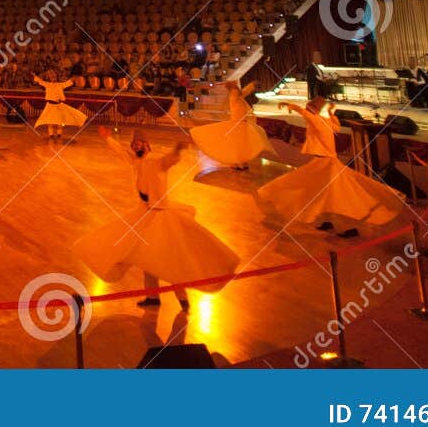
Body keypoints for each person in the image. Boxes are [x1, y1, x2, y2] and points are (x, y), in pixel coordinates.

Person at [76, 126, 238, 311]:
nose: (137, 146)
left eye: (141, 143)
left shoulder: (155, 162)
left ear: (148, 146)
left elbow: (168, 161)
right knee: (148, 258)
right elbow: (121, 152)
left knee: (166, 260)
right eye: (135, 144)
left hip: (161, 216)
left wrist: (177, 150)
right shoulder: (135, 162)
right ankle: (153, 296)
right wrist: (108, 139)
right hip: (145, 215)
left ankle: (182, 298)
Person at [255, 99, 409, 239]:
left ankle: (348, 226)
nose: (307, 110)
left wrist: (292, 106)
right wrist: (329, 112)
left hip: (326, 164)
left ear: (313, 110)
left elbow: (306, 115)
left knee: (333, 195)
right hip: (324, 163)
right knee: (324, 194)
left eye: (309, 108)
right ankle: (328, 220)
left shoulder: (317, 121)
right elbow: (336, 125)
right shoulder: (325, 121)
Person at [188, 80, 269, 170]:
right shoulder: (235, 96)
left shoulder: (237, 95)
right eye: (235, 87)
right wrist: (251, 85)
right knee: (238, 145)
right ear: (232, 89)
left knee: (241, 145)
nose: (238, 88)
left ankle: (242, 162)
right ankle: (239, 163)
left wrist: (252, 85)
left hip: (241, 123)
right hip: (237, 124)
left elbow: (243, 92)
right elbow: (243, 92)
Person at [32, 71, 86, 141]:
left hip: (58, 105)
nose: (53, 78)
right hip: (50, 105)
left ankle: (59, 134)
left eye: (54, 76)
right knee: (49, 120)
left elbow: (68, 83)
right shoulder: (47, 84)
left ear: (57, 77)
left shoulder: (60, 85)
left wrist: (73, 78)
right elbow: (40, 81)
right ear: (49, 78)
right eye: (52, 77)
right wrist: (35, 76)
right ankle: (51, 135)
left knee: (59, 121)